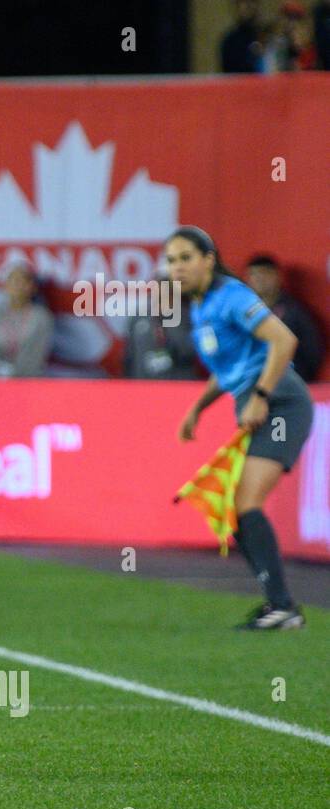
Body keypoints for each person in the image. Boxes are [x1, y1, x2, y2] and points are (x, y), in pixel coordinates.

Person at [170, 226, 312, 630]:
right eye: (171, 259)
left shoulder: (231, 296)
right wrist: (197, 408)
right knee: (234, 509)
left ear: (208, 260)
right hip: (263, 408)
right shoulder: (201, 308)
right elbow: (229, 371)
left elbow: (284, 341)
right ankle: (278, 605)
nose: (176, 267)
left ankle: (283, 607)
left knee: (245, 503)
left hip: (282, 405)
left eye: (185, 258)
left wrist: (262, 394)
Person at [245, 254, 325, 382]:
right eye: (253, 275)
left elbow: (313, 350)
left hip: (288, 381)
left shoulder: (294, 311)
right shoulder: (244, 312)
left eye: (264, 274)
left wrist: (300, 379)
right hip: (251, 381)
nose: (258, 279)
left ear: (277, 276)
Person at [0, 263, 54, 377]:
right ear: (5, 286)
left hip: (30, 380)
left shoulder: (41, 317)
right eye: (14, 281)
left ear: (33, 287)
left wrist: (15, 374)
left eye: (23, 281)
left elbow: (37, 354)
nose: (18, 286)